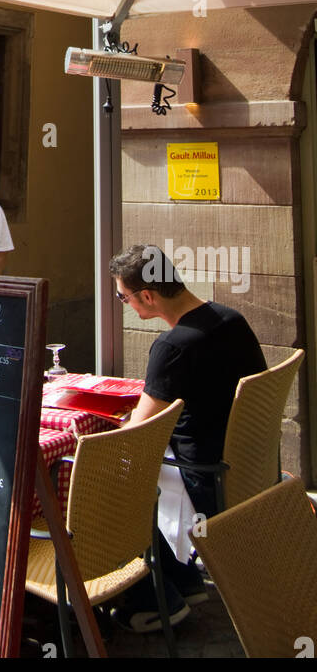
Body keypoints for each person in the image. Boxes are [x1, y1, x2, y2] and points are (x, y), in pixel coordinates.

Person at [109, 242, 266, 633]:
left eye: (123, 297)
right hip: (243, 461)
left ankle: (154, 598)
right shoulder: (232, 320)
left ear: (147, 294)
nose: (125, 304)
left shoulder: (172, 346)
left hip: (201, 472)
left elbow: (137, 434)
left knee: (109, 477)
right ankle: (186, 578)